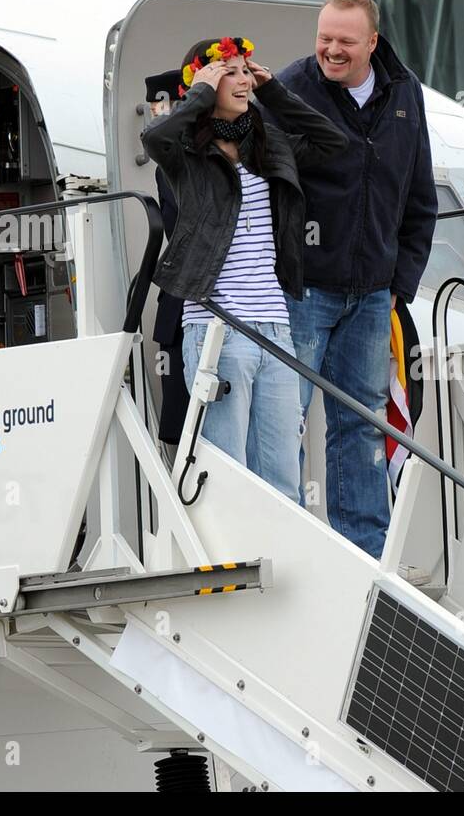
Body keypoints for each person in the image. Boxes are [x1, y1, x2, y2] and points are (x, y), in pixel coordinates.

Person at [140, 37, 347, 498]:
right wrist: (197, 95)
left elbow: (333, 143)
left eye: (245, 70)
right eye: (228, 71)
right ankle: (232, 570)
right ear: (204, 81)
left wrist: (273, 91)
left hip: (275, 330)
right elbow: (155, 138)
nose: (242, 79)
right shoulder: (186, 156)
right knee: (226, 472)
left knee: (282, 478)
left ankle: (283, 566)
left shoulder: (268, 145)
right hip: (217, 327)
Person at [270, 0, 437, 558]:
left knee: (361, 428)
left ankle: (362, 557)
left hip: (372, 298)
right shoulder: (292, 87)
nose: (331, 51)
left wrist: (400, 285)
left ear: (372, 43)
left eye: (345, 41)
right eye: (324, 38)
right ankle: (289, 552)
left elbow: (419, 198)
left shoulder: (405, 94)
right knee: (284, 419)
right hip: (304, 293)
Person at [143, 69, 192, 446]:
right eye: (154, 106)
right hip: (180, 307)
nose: (159, 113)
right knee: (179, 426)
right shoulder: (168, 167)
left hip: (199, 304)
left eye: (165, 105)